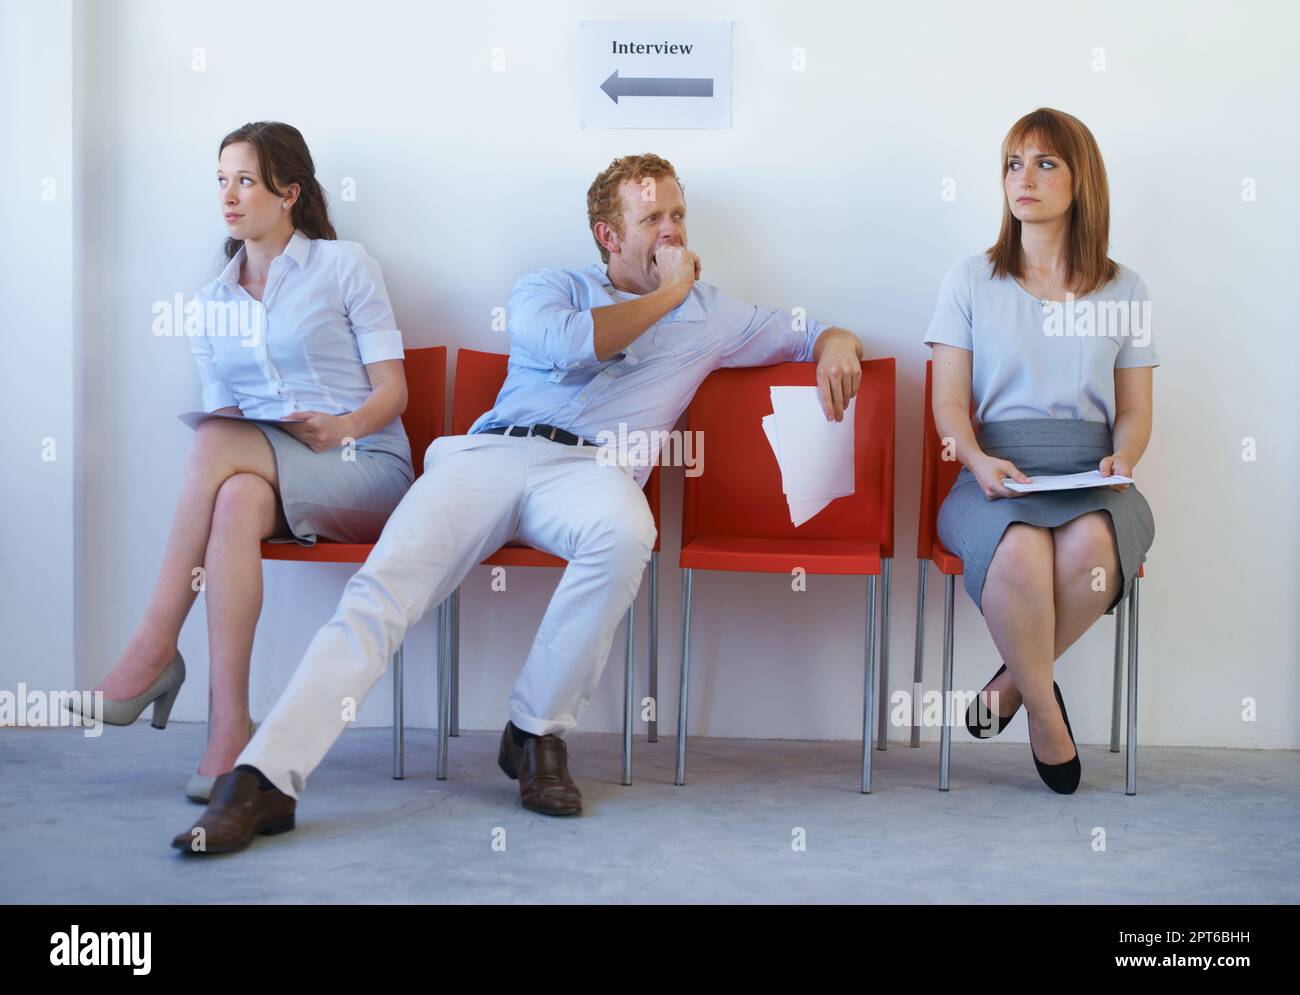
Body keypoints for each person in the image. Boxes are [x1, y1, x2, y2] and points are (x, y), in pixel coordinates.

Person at [173, 152, 867, 854]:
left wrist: (837, 344)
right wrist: (671, 294)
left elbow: (808, 331)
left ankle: (535, 732)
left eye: (678, 214)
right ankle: (265, 777)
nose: (671, 229)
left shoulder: (714, 313)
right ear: (607, 233)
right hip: (490, 454)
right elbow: (577, 347)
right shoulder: (548, 287)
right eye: (651, 217)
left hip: (591, 471)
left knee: (628, 528)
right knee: (383, 589)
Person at [68, 122, 413, 803]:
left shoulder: (345, 266)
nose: (229, 194)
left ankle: (152, 648)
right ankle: (229, 733)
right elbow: (226, 422)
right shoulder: (209, 304)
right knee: (232, 497)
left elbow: (394, 391)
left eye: (246, 180)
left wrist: (338, 426)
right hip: (273, 473)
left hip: (363, 462)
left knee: (210, 445)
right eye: (221, 179)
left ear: (289, 192)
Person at [925, 108, 1158, 794]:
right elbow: (947, 404)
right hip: (994, 470)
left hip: (1092, 472)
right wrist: (974, 458)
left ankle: (1012, 681)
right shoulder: (969, 280)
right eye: (1013, 162)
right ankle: (1046, 714)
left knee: (1092, 547)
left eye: (1046, 163)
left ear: (1081, 181)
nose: (1023, 177)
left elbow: (1137, 411)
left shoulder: (1126, 288)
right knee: (1021, 551)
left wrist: (1123, 456)